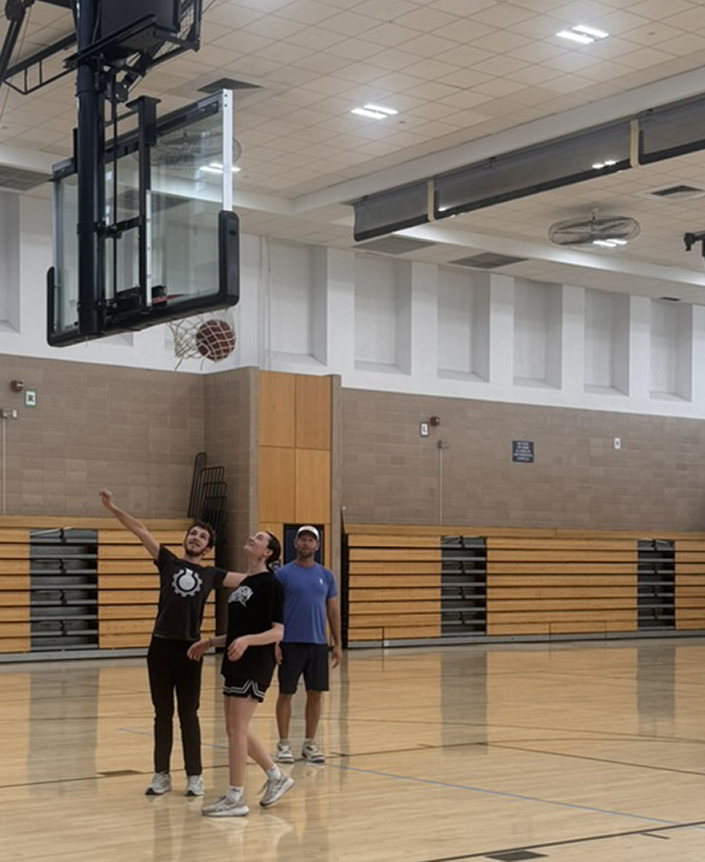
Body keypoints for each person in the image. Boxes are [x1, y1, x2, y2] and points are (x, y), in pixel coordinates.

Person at [99, 488, 241, 798]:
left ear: (208, 547)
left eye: (202, 537)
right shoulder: (168, 563)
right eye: (192, 534)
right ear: (185, 540)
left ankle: (194, 775)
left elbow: (249, 581)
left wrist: (277, 573)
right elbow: (140, 529)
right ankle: (161, 774)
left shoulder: (211, 575)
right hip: (160, 647)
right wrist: (113, 507)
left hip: (191, 650)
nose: (195, 539)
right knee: (162, 713)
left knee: (189, 714)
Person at [188, 529, 294, 817]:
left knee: (236, 730)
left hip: (254, 662)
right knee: (236, 729)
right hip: (236, 662)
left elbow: (278, 631)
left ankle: (235, 797)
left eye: (259, 538)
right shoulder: (246, 583)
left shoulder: (272, 584)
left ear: (268, 552)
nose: (252, 537)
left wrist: (247, 641)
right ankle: (276, 777)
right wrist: (211, 641)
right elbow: (239, 632)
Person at [274, 525, 341, 764]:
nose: (306, 544)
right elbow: (273, 610)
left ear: (318, 545)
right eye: (302, 539)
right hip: (290, 643)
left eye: (310, 540)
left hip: (317, 644)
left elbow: (332, 610)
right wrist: (275, 642)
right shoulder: (283, 574)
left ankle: (310, 743)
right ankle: (283, 744)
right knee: (286, 693)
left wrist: (337, 643)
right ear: (295, 544)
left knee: (315, 694)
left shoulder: (326, 575)